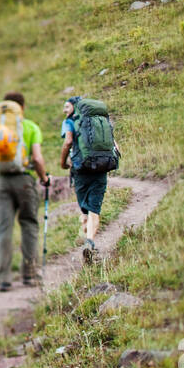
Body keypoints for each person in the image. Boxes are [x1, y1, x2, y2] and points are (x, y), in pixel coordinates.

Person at [0, 91, 50, 290]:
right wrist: (43, 178)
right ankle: (29, 275)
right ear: (23, 107)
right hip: (24, 180)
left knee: (3, 228)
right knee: (29, 224)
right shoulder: (30, 128)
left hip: (1, 182)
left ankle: (4, 278)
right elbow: (37, 158)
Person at [60, 95, 119, 265]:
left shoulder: (70, 121)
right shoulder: (101, 122)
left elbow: (68, 142)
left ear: (74, 107)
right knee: (94, 209)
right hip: (100, 169)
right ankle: (90, 241)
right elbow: (115, 146)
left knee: (85, 209)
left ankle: (87, 238)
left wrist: (63, 162)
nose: (64, 110)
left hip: (80, 170)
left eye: (66, 106)